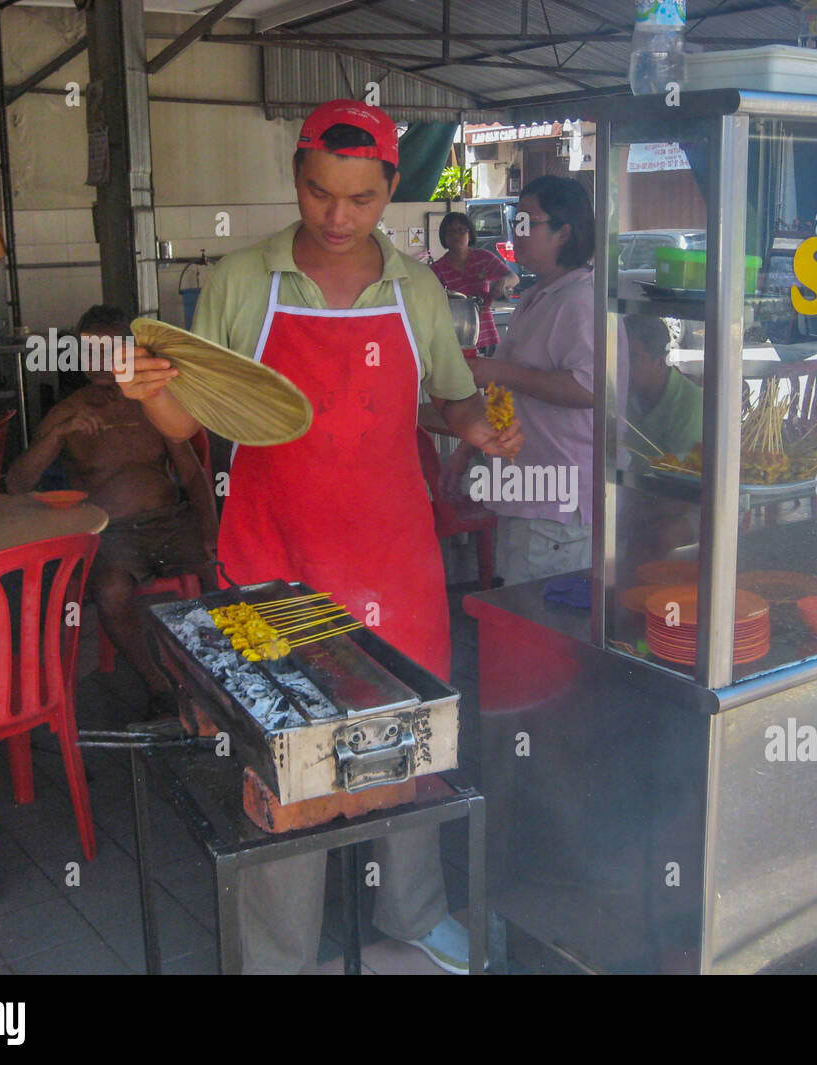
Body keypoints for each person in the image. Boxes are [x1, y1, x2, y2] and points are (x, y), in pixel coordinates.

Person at [119, 99, 522, 974]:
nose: (337, 218)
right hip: (275, 562)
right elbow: (185, 417)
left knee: (404, 746)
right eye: (317, 192)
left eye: (362, 199)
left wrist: (479, 425)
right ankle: (277, 956)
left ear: (392, 192)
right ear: (297, 176)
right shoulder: (243, 279)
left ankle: (411, 914)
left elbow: (447, 397)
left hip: (394, 560)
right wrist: (151, 387)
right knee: (287, 764)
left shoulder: (418, 288)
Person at [6, 305, 218, 716]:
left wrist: (211, 530)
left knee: (225, 569)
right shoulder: (69, 411)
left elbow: (193, 474)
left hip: (173, 523)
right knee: (111, 590)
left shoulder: (154, 403)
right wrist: (59, 436)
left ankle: (216, 676)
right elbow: (17, 483)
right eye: (91, 353)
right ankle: (158, 685)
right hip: (110, 534)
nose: (101, 364)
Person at [442, 175, 598, 586]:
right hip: (524, 493)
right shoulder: (539, 297)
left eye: (529, 222)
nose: (518, 232)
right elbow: (508, 394)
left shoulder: (581, 301)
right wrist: (467, 447)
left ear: (564, 232)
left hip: (558, 506)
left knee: (545, 632)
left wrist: (497, 371)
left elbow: (591, 389)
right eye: (517, 221)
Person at [430, 211, 516, 356]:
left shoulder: (483, 258)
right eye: (451, 232)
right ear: (444, 237)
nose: (457, 236)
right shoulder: (437, 269)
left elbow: (514, 277)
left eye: (461, 230)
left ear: (469, 233)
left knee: (489, 378)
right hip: (454, 341)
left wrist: (503, 282)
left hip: (487, 336)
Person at [624, 314, 703, 462]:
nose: (621, 365)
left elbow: (683, 475)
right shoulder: (623, 393)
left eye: (632, 358)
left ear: (660, 364)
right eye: (619, 356)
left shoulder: (691, 408)